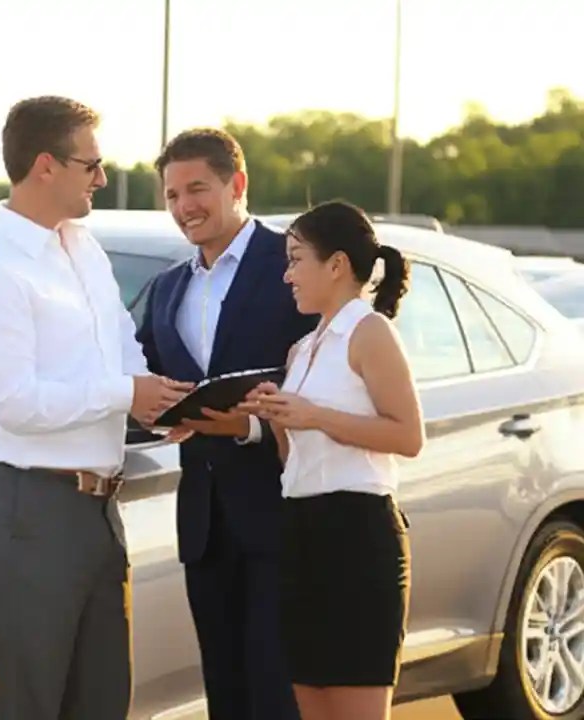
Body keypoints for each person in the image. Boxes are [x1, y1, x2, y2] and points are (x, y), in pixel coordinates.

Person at [0, 95, 192, 720]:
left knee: (102, 703)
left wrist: (160, 401)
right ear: (46, 166)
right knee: (36, 707)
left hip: (97, 510)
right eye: (92, 165)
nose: (103, 180)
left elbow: (120, 349)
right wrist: (124, 394)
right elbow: (14, 403)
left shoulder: (83, 248)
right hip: (29, 513)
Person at [134, 128, 317, 720]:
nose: (185, 206)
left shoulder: (294, 262)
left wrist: (252, 427)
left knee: (279, 695)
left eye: (197, 188)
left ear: (237, 184)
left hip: (288, 518)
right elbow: (123, 377)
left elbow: (337, 375)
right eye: (171, 195)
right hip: (205, 529)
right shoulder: (166, 290)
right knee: (228, 695)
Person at [238, 200, 422, 720]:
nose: (287, 275)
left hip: (357, 535)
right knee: (310, 706)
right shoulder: (302, 349)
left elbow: (408, 435)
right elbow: (292, 460)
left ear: (336, 264)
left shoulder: (371, 333)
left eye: (296, 260)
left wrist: (313, 415)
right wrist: (277, 417)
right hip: (301, 531)